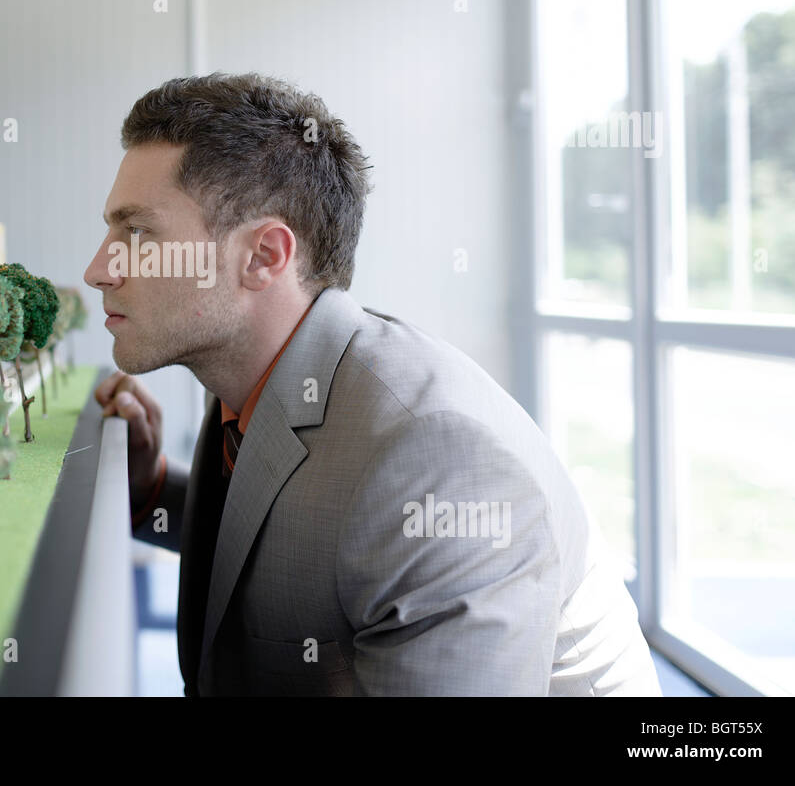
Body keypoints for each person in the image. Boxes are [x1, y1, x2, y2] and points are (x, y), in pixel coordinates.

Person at [84, 72, 661, 697]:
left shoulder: (437, 458)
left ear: (263, 256)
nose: (97, 270)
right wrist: (150, 492)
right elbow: (290, 543)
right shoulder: (256, 372)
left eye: (137, 234)